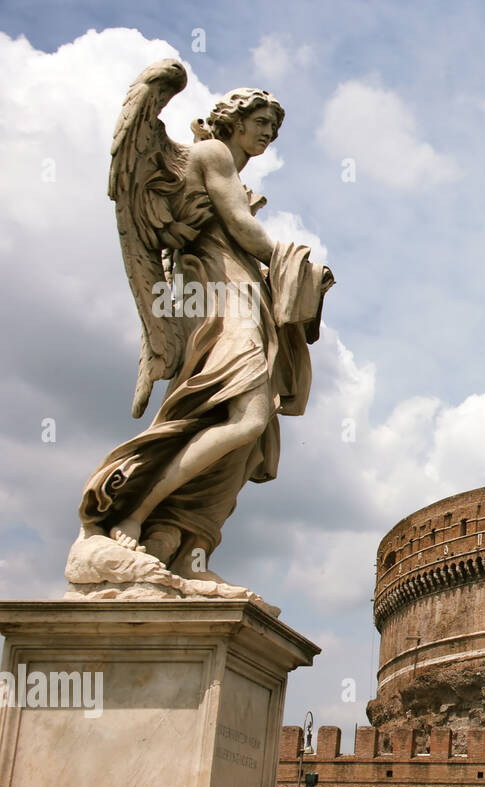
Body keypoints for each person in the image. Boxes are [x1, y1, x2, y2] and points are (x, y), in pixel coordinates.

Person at [78, 85, 333, 586]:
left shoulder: (223, 166)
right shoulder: (213, 153)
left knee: (242, 434)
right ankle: (131, 513)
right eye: (260, 121)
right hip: (221, 297)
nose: (268, 133)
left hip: (240, 291)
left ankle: (180, 543)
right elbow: (242, 230)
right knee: (248, 417)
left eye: (274, 128)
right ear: (233, 119)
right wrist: (304, 265)